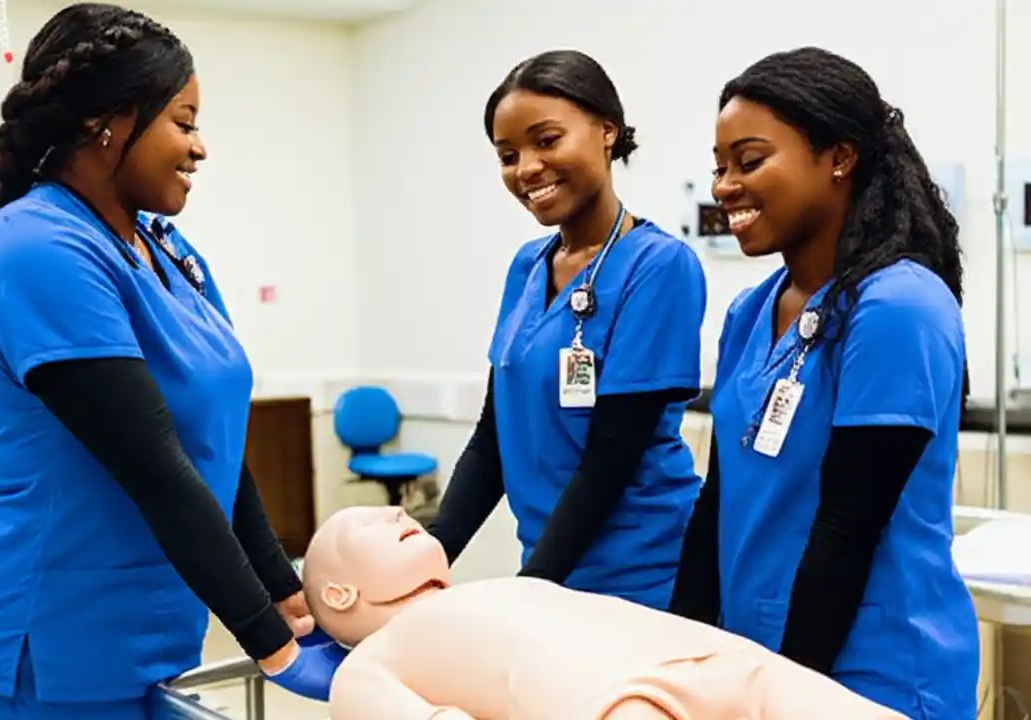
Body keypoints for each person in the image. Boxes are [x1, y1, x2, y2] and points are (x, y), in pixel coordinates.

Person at [0, 4, 343, 716]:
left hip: (149, 627)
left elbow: (214, 448)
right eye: (183, 123)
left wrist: (286, 594)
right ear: (110, 123)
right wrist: (271, 646)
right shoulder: (39, 247)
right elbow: (154, 466)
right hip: (53, 639)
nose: (200, 148)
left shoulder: (166, 250)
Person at [668, 46, 979, 719]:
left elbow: (849, 526)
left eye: (749, 161)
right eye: (718, 168)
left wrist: (784, 691)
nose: (724, 186)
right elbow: (717, 502)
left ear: (839, 157)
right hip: (759, 658)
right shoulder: (750, 313)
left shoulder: (899, 306)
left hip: (876, 673)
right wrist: (683, 658)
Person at [426, 49, 707, 611]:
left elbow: (612, 458)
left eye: (547, 140)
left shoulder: (659, 266)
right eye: (508, 155)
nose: (526, 168)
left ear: (607, 131)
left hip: (644, 579)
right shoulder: (528, 267)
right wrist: (426, 562)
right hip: (554, 569)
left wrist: (533, 589)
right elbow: (492, 440)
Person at [299, 505, 905, 720]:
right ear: (339, 595)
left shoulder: (488, 591)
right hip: (600, 692)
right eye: (367, 525)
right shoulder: (367, 665)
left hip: (704, 654)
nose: (396, 515)